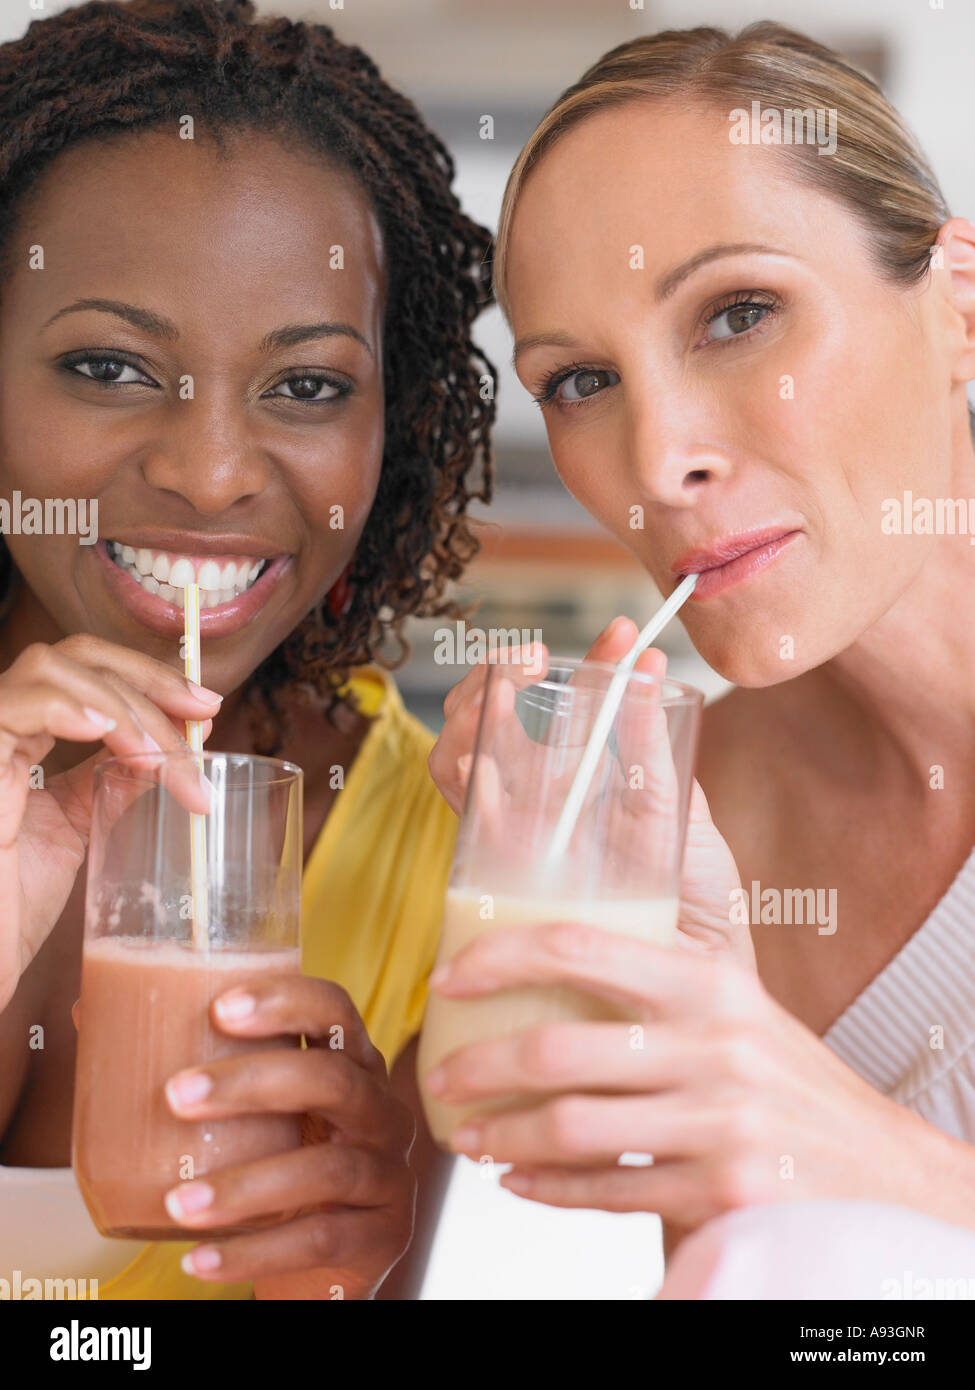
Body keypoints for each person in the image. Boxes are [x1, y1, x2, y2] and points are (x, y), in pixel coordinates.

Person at [426, 21, 975, 1294]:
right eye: (579, 381)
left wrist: (853, 1148)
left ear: (955, 301)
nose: (657, 460)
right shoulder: (662, 837)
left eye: (739, 312)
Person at [0, 0, 493, 1300]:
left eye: (308, 386)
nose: (212, 475)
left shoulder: (433, 852)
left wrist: (345, 1275)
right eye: (107, 365)